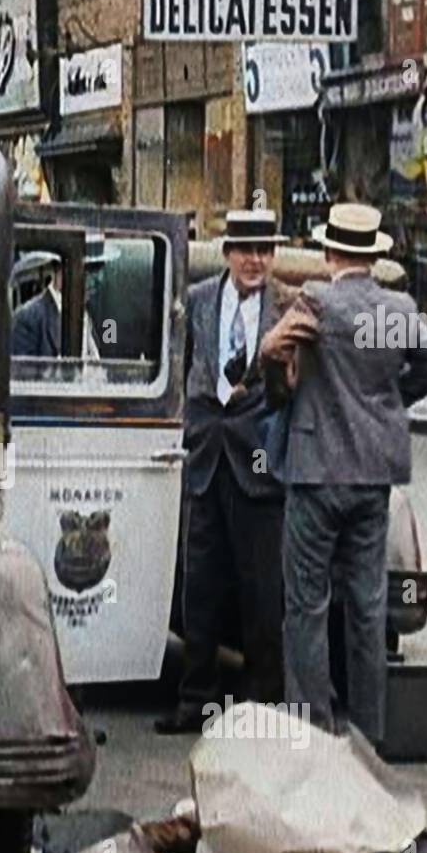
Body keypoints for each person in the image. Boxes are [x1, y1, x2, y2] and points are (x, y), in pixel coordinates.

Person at [260, 204, 427, 741]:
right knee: (368, 608)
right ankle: (369, 735)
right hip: (374, 473)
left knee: (306, 606)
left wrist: (282, 382)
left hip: (316, 469)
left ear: (329, 253)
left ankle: (313, 729)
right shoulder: (397, 307)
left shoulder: (316, 303)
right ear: (373, 255)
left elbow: (274, 356)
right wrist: (390, 401)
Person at [156, 209, 289, 735]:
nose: (255, 260)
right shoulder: (199, 300)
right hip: (206, 459)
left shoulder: (289, 308)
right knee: (199, 587)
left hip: (259, 463)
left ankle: (261, 705)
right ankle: (197, 700)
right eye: (246, 250)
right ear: (229, 253)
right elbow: (182, 364)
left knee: (263, 591)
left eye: (265, 251)